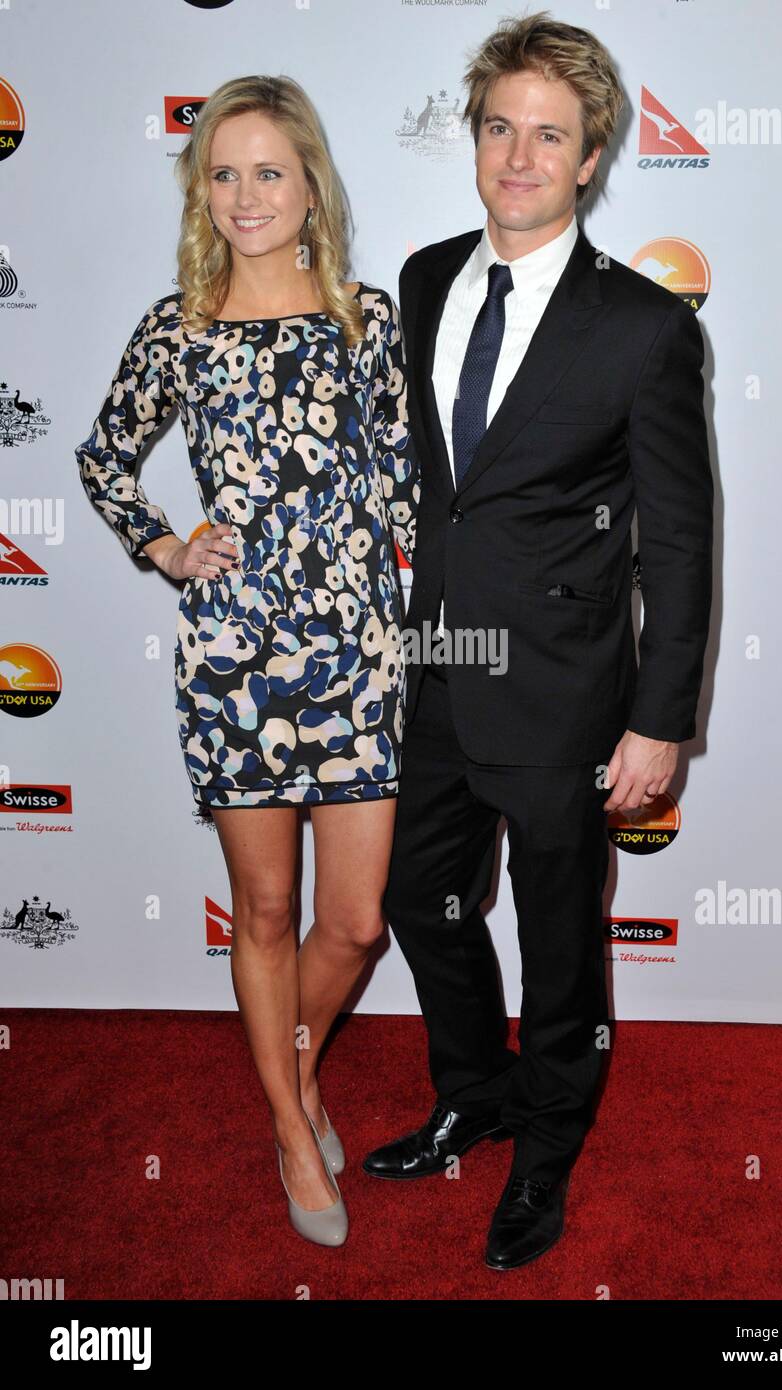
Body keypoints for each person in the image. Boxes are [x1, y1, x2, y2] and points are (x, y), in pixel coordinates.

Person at [364, 12, 713, 1270]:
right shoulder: (421, 277)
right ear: (476, 140)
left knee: (560, 939)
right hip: (437, 674)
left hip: (567, 691)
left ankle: (549, 1147)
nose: (519, 155)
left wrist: (660, 717)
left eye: (548, 135)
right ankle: (476, 1088)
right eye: (500, 127)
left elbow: (677, 541)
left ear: (589, 159)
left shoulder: (643, 327)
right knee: (418, 896)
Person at [75, 75, 420, 1248]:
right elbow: (103, 457)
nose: (244, 195)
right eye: (222, 173)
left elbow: (414, 486)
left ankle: (295, 1070)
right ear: (199, 190)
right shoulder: (182, 325)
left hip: (361, 654)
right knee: (264, 908)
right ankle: (289, 1123)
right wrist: (166, 545)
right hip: (236, 658)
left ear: (310, 183)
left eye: (268, 170)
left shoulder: (369, 319)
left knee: (357, 920)